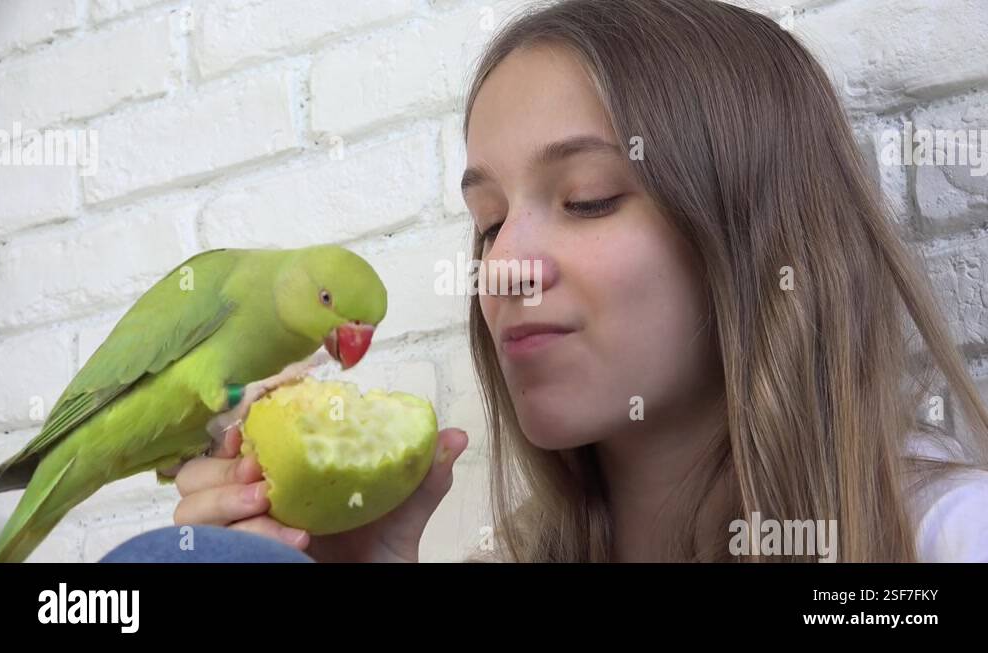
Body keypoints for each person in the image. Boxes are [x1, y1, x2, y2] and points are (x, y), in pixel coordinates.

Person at [102, 0, 988, 563]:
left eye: (589, 198)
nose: (502, 264)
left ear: (758, 233)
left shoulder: (947, 538)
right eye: (487, 222)